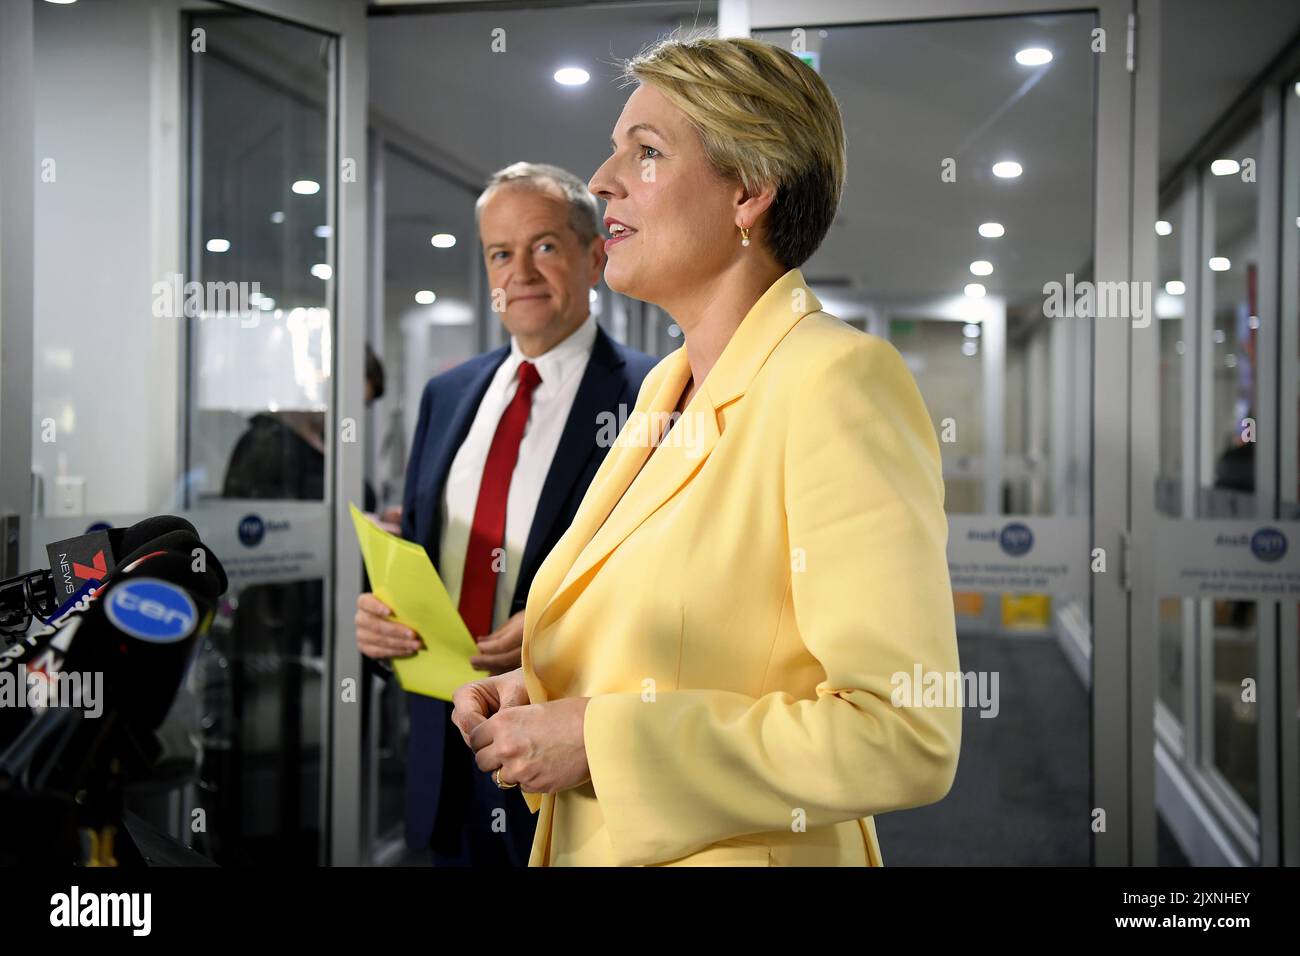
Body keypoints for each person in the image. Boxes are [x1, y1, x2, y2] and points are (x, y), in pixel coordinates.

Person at [451, 34, 962, 867]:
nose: (602, 181)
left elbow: (904, 733)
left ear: (750, 191)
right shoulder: (666, 389)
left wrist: (601, 740)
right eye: (615, 148)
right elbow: (675, 654)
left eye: (645, 152)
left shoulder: (837, 381)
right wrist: (539, 695)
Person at [355, 162, 655, 866]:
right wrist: (380, 623)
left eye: (545, 246)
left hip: (562, 757)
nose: (519, 271)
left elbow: (667, 583)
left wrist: (560, 628)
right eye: (500, 252)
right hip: (440, 746)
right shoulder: (447, 393)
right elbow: (423, 553)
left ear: (595, 256)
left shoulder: (654, 396)